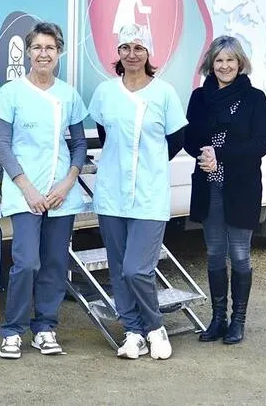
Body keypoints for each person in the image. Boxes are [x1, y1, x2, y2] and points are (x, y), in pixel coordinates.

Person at [0, 21, 88, 360]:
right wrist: (27, 188)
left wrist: (68, 181)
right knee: (27, 262)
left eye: (50, 48)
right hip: (25, 193)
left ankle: (45, 327)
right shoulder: (11, 93)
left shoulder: (68, 94)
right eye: (37, 47)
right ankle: (13, 330)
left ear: (59, 53)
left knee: (55, 263)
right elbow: (2, 146)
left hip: (61, 193)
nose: (43, 53)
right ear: (28, 52)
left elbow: (79, 144)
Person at [88, 23, 186, 360]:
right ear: (118, 52)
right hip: (112, 194)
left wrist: (149, 163)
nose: (132, 54)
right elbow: (105, 134)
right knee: (118, 269)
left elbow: (177, 139)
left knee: (136, 269)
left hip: (149, 193)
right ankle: (132, 332)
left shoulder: (164, 93)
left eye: (139, 48)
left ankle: (155, 327)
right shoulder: (106, 92)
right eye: (126, 48)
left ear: (148, 53)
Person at [184, 35, 266, 345]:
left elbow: (260, 144)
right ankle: (218, 318)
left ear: (240, 63)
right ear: (211, 64)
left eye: (230, 60)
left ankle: (238, 320)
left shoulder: (254, 98)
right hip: (209, 187)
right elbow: (189, 138)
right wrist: (204, 153)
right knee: (214, 254)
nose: (224, 66)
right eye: (219, 60)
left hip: (242, 187)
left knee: (240, 255)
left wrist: (219, 154)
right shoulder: (199, 97)